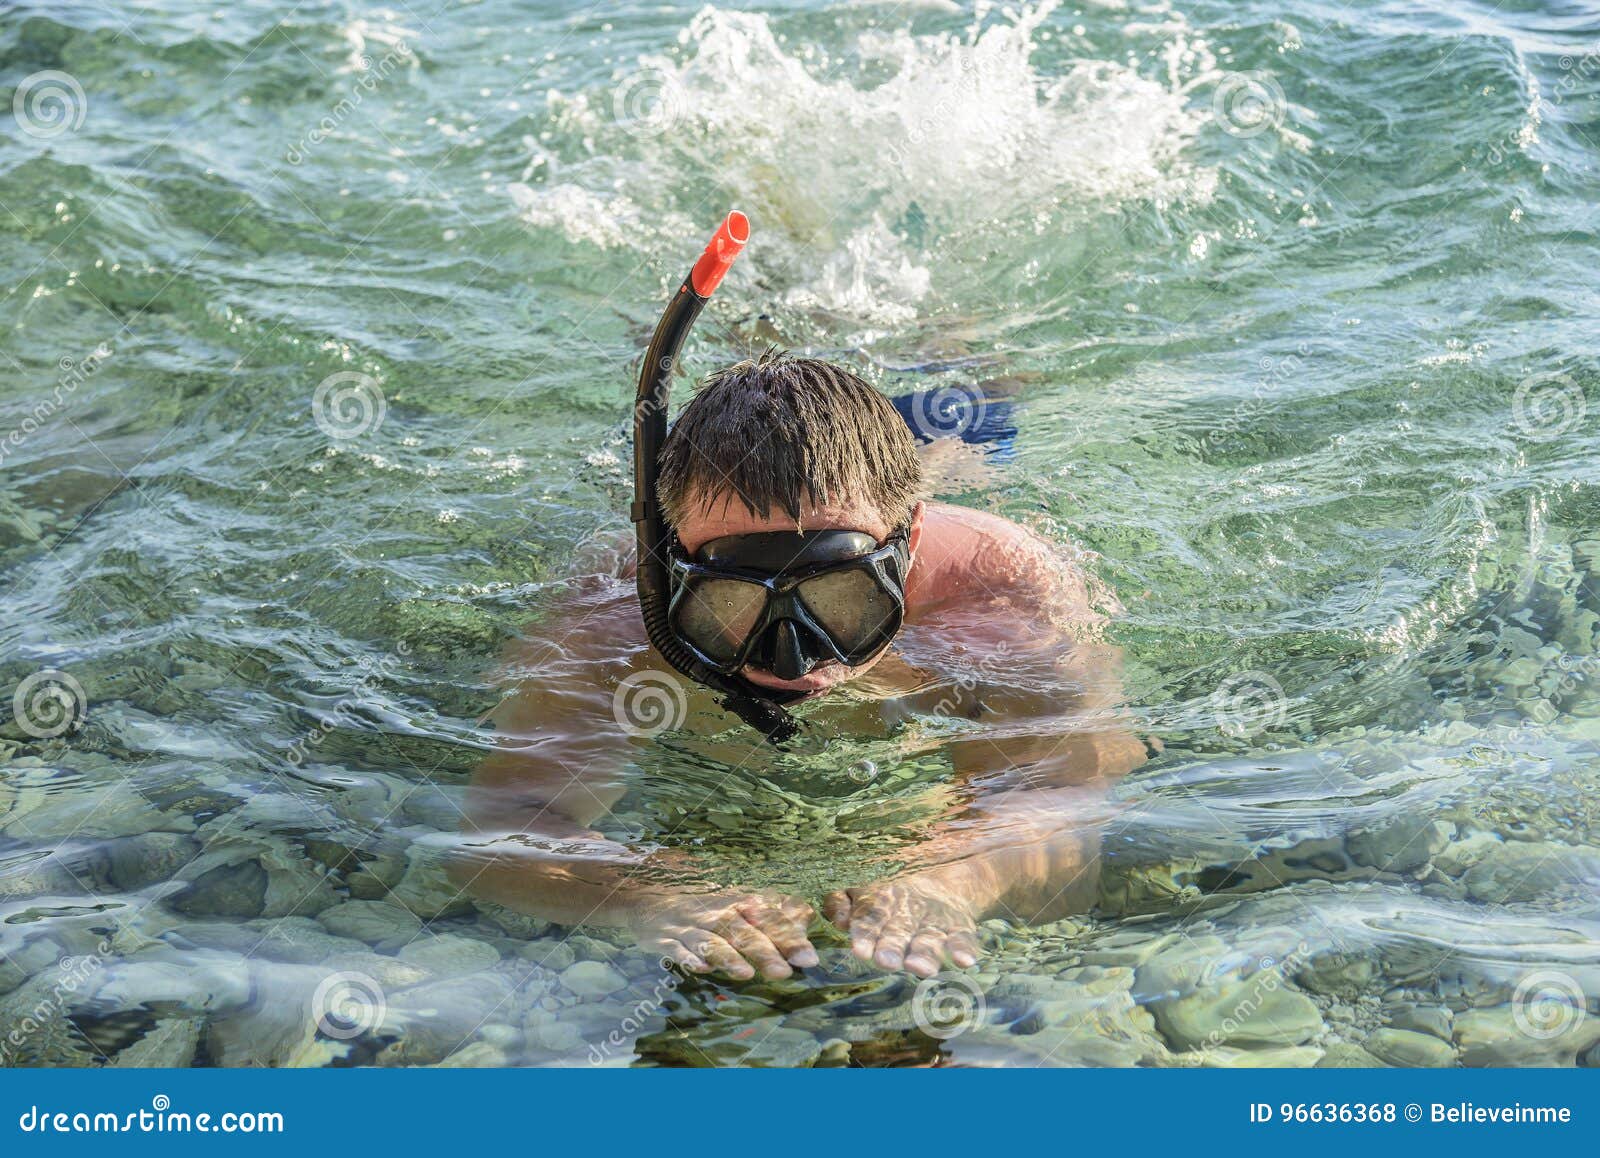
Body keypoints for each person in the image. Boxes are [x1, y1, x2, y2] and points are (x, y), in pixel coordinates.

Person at [454, 349, 1149, 982]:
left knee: (967, 386)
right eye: (729, 601)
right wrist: (649, 892)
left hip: (951, 439)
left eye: (841, 597)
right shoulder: (618, 603)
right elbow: (501, 828)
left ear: (909, 538)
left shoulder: (997, 586)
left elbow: (1067, 791)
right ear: (670, 555)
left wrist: (950, 882)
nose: (795, 661)